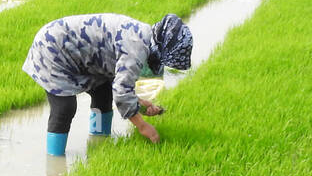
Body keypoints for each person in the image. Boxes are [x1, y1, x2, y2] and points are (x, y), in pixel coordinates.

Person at [22, 13, 193, 155]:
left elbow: (120, 84)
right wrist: (142, 126)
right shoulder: (137, 48)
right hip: (53, 48)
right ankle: (55, 160)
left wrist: (140, 105)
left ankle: (99, 143)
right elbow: (122, 92)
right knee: (64, 108)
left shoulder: (149, 38)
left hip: (86, 57)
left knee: (103, 93)